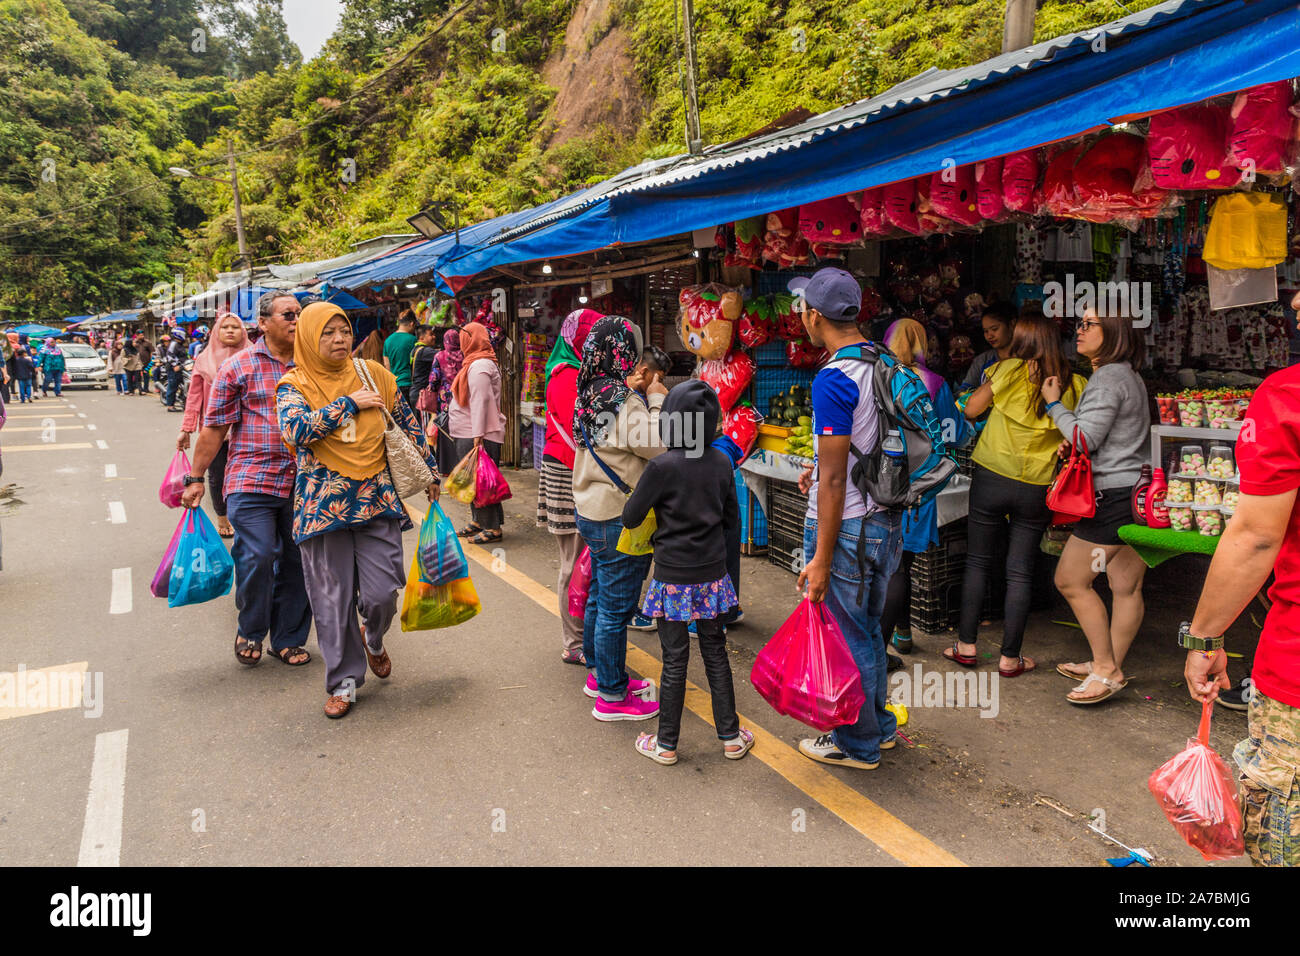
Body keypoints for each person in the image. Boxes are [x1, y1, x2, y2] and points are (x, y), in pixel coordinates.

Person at [277, 302, 441, 719]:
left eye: (344, 332)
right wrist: (347, 404)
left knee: (382, 592)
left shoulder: (375, 375)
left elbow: (406, 424)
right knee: (332, 602)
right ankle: (344, 683)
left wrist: (430, 473)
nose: (338, 340)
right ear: (309, 338)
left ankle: (374, 637)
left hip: (377, 500)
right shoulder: (293, 383)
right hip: (321, 509)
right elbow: (295, 430)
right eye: (327, 333)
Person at [791, 268, 901, 771]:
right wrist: (820, 466)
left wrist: (820, 557)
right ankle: (877, 728)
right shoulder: (884, 360)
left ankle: (856, 744)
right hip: (885, 521)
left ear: (815, 316)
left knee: (849, 634)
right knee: (868, 629)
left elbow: (836, 483)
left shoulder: (835, 377)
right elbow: (861, 447)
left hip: (850, 528)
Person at [623, 380, 754, 765]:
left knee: (674, 658)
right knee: (715, 653)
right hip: (713, 579)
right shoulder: (720, 462)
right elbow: (732, 521)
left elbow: (631, 517)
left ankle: (666, 745)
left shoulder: (662, 466)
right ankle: (731, 738)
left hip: (671, 579)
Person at [181, 292, 312, 668]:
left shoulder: (313, 365)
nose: (296, 319)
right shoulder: (238, 367)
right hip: (251, 478)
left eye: (300, 314)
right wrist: (195, 477)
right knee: (257, 554)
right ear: (264, 323)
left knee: (298, 560)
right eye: (288, 314)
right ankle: (251, 629)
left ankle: (287, 638)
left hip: (304, 481)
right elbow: (215, 427)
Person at [954, 313, 1086, 677]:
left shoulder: (1008, 369)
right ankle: (1010, 658)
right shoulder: (1075, 383)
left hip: (992, 476)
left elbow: (971, 408)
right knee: (1021, 570)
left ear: (1023, 340)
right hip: (1037, 484)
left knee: (978, 560)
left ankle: (966, 647)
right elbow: (1077, 433)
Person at [1040, 309, 1150, 704]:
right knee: (1124, 584)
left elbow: (1086, 439)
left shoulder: (1108, 377)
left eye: (1090, 324)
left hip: (1112, 497)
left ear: (1115, 331)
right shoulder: (1129, 376)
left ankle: (1107, 668)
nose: (1079, 331)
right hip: (1135, 489)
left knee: (1070, 580)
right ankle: (1106, 665)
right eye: (1080, 324)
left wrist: (1055, 405)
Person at [573, 316, 664, 720]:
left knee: (599, 597)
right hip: (617, 514)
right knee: (616, 607)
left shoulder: (589, 390)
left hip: (590, 509)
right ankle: (612, 694)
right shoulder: (621, 399)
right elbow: (657, 445)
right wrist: (657, 400)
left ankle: (598, 673)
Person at [879, 319, 969, 665]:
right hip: (919, 486)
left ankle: (895, 636)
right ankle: (891, 641)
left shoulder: (878, 376)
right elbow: (952, 433)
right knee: (902, 566)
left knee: (888, 564)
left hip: (883, 482)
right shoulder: (934, 384)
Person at [539, 309, 602, 664]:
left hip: (569, 466)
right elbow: (582, 430)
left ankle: (582, 635)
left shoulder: (578, 372)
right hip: (566, 468)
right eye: (592, 337)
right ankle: (573, 642)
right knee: (571, 560)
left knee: (581, 557)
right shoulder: (567, 375)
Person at [178, 312, 249, 540]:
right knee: (217, 475)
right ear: (217, 331)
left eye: (235, 327)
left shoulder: (255, 355)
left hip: (248, 430)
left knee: (245, 474)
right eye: (225, 327)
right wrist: (186, 429)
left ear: (243, 331)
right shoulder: (204, 359)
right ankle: (222, 515)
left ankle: (246, 516)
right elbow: (194, 397)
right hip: (215, 429)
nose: (230, 331)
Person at [447, 322, 507, 545]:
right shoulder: (475, 362)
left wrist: (478, 435)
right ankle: (479, 520)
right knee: (474, 480)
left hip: (477, 434)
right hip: (470, 431)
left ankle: (492, 528)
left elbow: (481, 400)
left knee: (482, 482)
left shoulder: (480, 365)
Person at [428, 327, 463, 473]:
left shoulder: (439, 355)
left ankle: (447, 466)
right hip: (462, 395)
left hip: (445, 398)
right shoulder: (464, 355)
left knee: (445, 428)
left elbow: (434, 377)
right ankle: (462, 463)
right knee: (462, 429)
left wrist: (432, 388)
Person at [961, 302, 1016, 389]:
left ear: (1012, 324)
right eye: (986, 331)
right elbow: (963, 392)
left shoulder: (1027, 359)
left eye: (994, 329)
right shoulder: (982, 361)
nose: (989, 336)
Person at [382, 310, 418, 396]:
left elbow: (387, 366)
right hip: (409, 384)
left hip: (395, 385)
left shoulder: (388, 341)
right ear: (412, 323)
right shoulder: (413, 340)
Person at [409, 323, 438, 415]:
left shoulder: (415, 349)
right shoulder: (425, 351)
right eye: (431, 335)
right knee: (424, 426)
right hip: (421, 395)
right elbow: (443, 355)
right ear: (421, 338)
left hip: (416, 392)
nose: (434, 337)